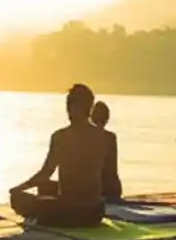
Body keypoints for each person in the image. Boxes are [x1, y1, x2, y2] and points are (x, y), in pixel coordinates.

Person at [8, 84, 107, 227]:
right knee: (47, 187)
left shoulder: (61, 137)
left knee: (18, 198)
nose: (68, 111)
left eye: (70, 106)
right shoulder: (101, 136)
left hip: (70, 210)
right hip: (95, 211)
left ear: (76, 107)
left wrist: (18, 189)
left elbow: (45, 173)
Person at [91, 101, 123, 202]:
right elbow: (113, 168)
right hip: (113, 188)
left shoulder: (86, 137)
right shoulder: (111, 137)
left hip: (101, 188)